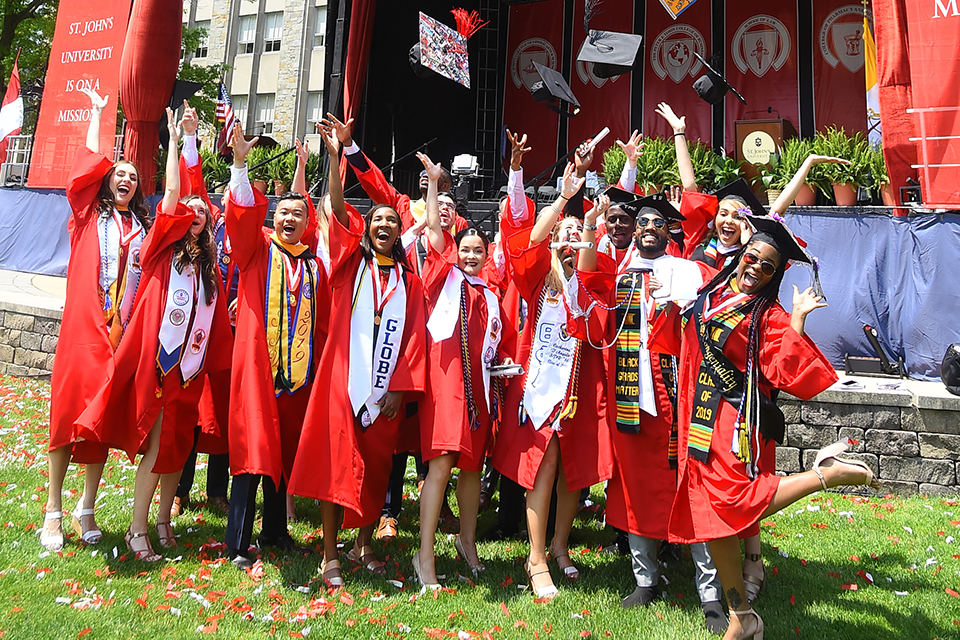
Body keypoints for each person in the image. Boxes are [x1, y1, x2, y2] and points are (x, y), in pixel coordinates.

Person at [650, 214, 879, 640]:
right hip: (696, 415)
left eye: (768, 266)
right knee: (709, 518)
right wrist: (666, 306)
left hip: (731, 422)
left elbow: (787, 367)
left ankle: (823, 475)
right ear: (742, 254)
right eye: (753, 257)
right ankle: (742, 615)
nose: (756, 267)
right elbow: (679, 336)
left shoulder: (766, 316)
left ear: (774, 275)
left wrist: (796, 319)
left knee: (733, 503)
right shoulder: (711, 288)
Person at [75, 105, 233, 561]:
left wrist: (194, 145)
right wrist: (179, 140)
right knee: (160, 442)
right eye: (191, 209)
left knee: (179, 446)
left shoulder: (208, 267)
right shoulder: (163, 244)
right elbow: (175, 194)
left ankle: (164, 521)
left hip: (190, 370)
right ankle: (137, 528)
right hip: (159, 365)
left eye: (204, 210)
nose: (196, 211)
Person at [575, 191, 727, 634]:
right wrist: (589, 226)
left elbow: (712, 313)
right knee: (636, 487)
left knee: (690, 488)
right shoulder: (619, 269)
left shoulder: (688, 271)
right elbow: (587, 288)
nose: (645, 229)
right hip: (631, 402)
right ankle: (646, 578)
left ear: (670, 232)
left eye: (656, 223)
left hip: (676, 400)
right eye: (640, 222)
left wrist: (679, 300)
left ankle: (711, 593)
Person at [288, 119, 426, 588]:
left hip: (384, 391)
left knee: (376, 467)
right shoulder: (352, 261)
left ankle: (363, 542)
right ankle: (330, 555)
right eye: (378, 220)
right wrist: (334, 157)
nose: (385, 224)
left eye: (392, 220)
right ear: (367, 229)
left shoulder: (409, 282)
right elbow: (335, 206)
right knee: (336, 464)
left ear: (399, 231)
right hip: (343, 383)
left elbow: (412, 339)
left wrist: (401, 391)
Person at [491, 162, 614, 600]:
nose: (569, 236)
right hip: (541, 387)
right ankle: (537, 557)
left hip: (580, 389)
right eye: (566, 231)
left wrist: (590, 229)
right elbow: (533, 239)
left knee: (573, 472)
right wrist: (562, 198)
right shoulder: (536, 279)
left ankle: (562, 547)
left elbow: (592, 291)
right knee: (542, 468)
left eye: (577, 232)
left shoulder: (592, 278)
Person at [41, 87, 150, 552]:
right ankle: (53, 510)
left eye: (131, 175)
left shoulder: (141, 229)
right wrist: (98, 113)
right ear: (107, 182)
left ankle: (87, 506)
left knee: (99, 418)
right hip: (83, 331)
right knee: (68, 415)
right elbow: (86, 164)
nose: (124, 179)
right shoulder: (88, 215)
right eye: (118, 174)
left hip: (118, 335)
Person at [222, 123, 327, 569]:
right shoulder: (256, 251)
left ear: (307, 223)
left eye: (297, 214)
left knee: (281, 451)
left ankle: (275, 532)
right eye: (282, 212)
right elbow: (242, 216)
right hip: (259, 370)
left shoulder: (313, 262)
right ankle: (236, 543)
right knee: (252, 452)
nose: (288, 219)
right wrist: (240, 165)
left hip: (297, 374)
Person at [412, 152, 517, 587]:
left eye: (479, 251)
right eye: (466, 249)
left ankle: (467, 542)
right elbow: (436, 231)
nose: (471, 256)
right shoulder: (443, 278)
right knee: (441, 467)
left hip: (481, 394)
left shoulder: (490, 295)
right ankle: (424, 555)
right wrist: (436, 184)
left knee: (472, 469)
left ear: (486, 254)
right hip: (446, 387)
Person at [171, 101, 231, 518]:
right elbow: (192, 187)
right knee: (192, 413)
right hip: (194, 329)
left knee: (224, 415)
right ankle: (179, 488)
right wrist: (190, 137)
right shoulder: (205, 233)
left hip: (227, 335)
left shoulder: (251, 234)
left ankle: (217, 491)